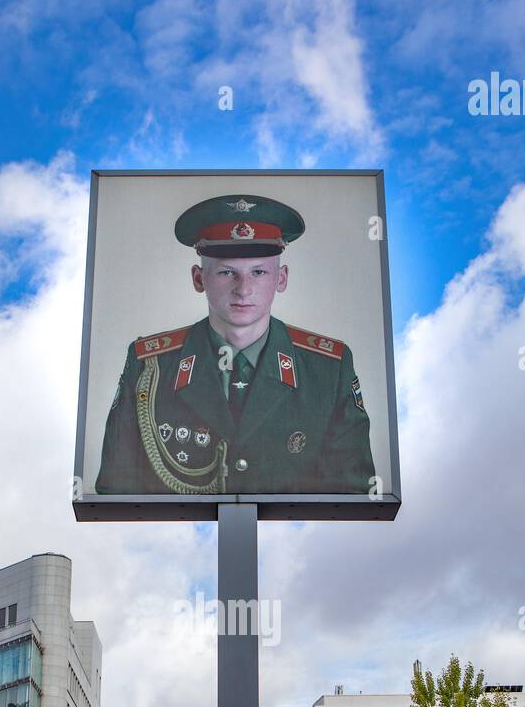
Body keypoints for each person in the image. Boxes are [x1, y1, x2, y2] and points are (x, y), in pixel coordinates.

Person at [95, 194, 376, 497]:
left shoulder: (328, 370)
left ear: (281, 279)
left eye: (258, 272)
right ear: (198, 278)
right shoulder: (149, 365)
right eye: (226, 272)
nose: (243, 289)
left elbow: (353, 500)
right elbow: (116, 492)